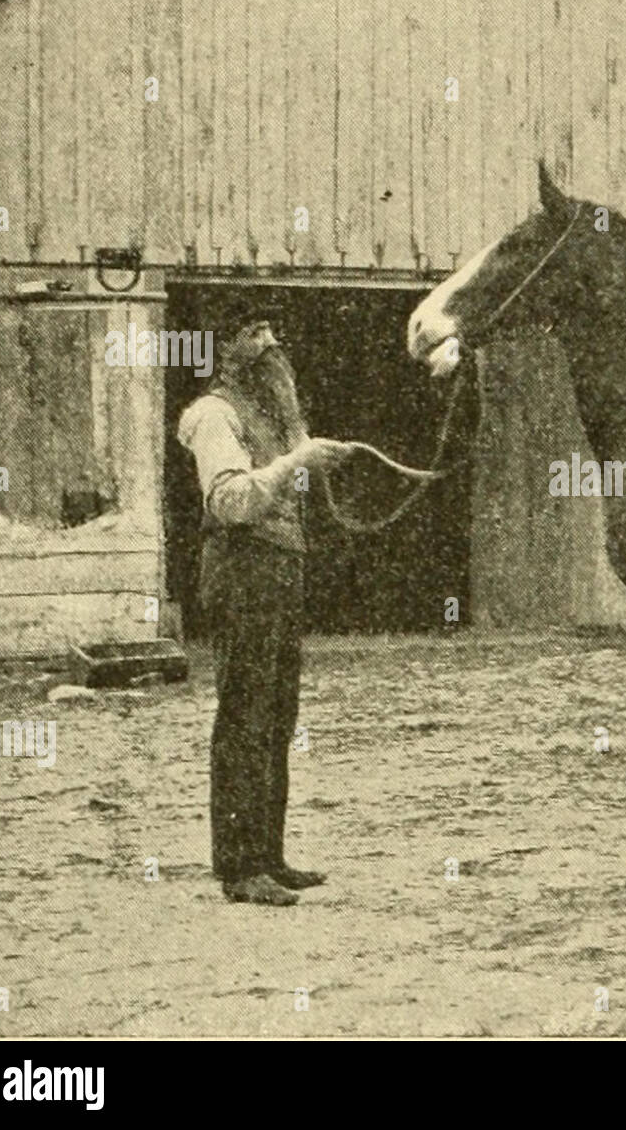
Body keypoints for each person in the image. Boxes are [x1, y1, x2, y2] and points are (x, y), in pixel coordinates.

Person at [177, 307, 354, 906]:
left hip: (279, 571)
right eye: (254, 335)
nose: (270, 345)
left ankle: (268, 857)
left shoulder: (274, 421)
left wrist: (309, 455)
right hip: (242, 572)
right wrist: (296, 463)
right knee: (244, 717)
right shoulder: (211, 415)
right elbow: (230, 501)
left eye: (272, 334)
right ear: (224, 349)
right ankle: (238, 869)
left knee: (277, 714)